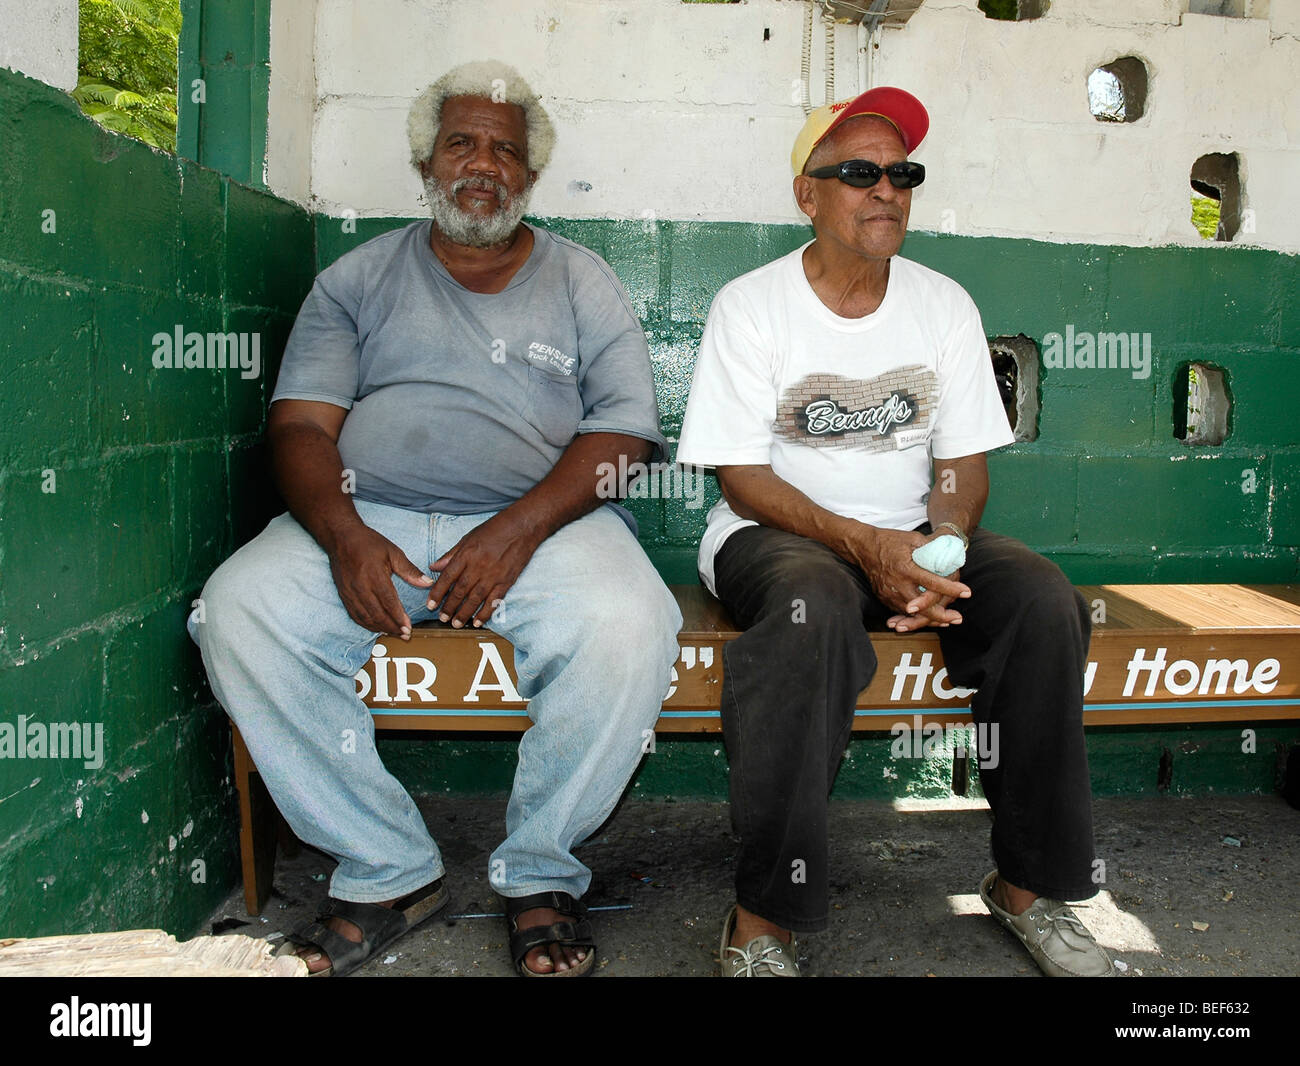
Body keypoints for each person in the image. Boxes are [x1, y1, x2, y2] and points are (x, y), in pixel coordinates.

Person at [190, 60, 681, 978]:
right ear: (426, 165)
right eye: (461, 143)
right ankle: (385, 870)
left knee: (632, 626)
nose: (482, 164)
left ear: (530, 176)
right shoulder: (358, 279)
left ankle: (540, 873)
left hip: (543, 527)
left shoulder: (584, 281)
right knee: (238, 609)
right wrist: (343, 534)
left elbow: (626, 439)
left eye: (505, 149)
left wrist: (516, 530)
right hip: (366, 513)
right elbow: (299, 423)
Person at [676, 87, 1113, 978]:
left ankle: (1029, 887)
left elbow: (961, 469)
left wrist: (939, 550)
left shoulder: (942, 303)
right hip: (773, 534)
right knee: (812, 608)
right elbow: (743, 478)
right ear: (808, 195)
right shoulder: (751, 305)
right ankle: (763, 918)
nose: (886, 189)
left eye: (902, 172)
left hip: (909, 536)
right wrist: (867, 549)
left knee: (1040, 600)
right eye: (859, 172)